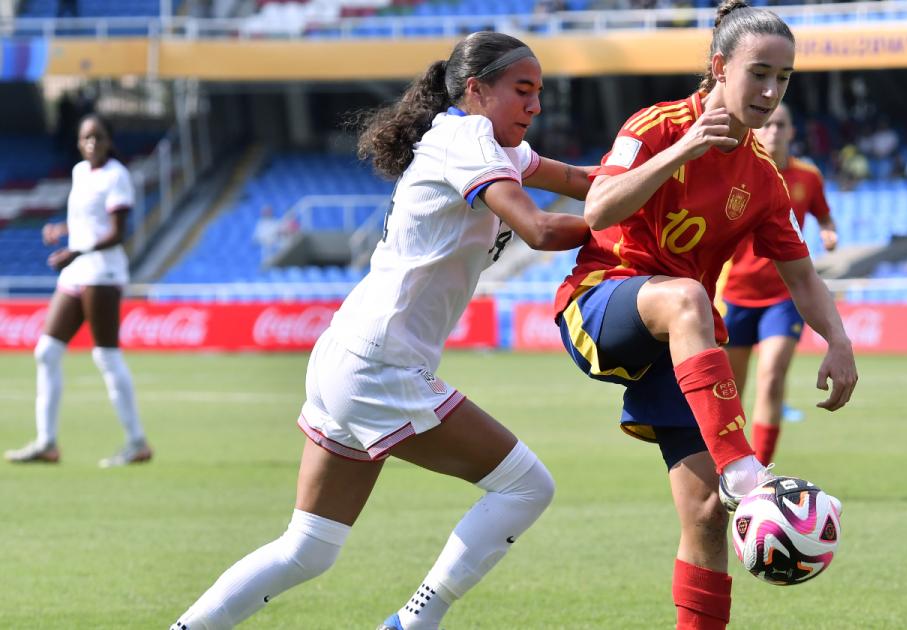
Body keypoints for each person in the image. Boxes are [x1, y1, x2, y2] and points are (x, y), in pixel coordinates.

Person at [170, 32, 593, 630]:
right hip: (380, 364)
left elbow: (583, 179)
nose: (536, 106)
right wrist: (621, 228)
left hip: (347, 353)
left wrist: (674, 166)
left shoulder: (486, 147)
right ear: (475, 90)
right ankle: (413, 622)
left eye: (540, 93)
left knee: (308, 547)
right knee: (527, 488)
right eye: (523, 91)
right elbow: (543, 230)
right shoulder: (467, 138)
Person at [553, 3, 857, 628]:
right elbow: (599, 209)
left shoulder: (765, 181)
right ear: (720, 68)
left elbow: (802, 277)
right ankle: (746, 470)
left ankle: (734, 493)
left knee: (705, 518)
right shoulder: (658, 125)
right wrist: (684, 149)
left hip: (677, 340)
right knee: (689, 296)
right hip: (600, 303)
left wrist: (840, 341)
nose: (771, 92)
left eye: (784, 78)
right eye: (760, 74)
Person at [4, 114, 152, 469]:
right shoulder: (79, 173)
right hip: (77, 270)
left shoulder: (117, 175)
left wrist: (77, 251)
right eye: (86, 138)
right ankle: (46, 442)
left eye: (98, 138)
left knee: (105, 356)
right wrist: (62, 230)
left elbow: (118, 232)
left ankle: (136, 442)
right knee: (46, 352)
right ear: (78, 142)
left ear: (109, 141)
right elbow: (87, 222)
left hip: (102, 272)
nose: (92, 144)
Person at [718, 102, 838, 466]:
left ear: (791, 132)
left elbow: (824, 215)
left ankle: (759, 471)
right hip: (733, 295)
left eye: (780, 125)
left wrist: (829, 232)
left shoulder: (808, 177)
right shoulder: (733, 170)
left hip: (783, 297)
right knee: (730, 393)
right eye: (766, 124)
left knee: (771, 378)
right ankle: (728, 466)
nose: (772, 131)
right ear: (755, 129)